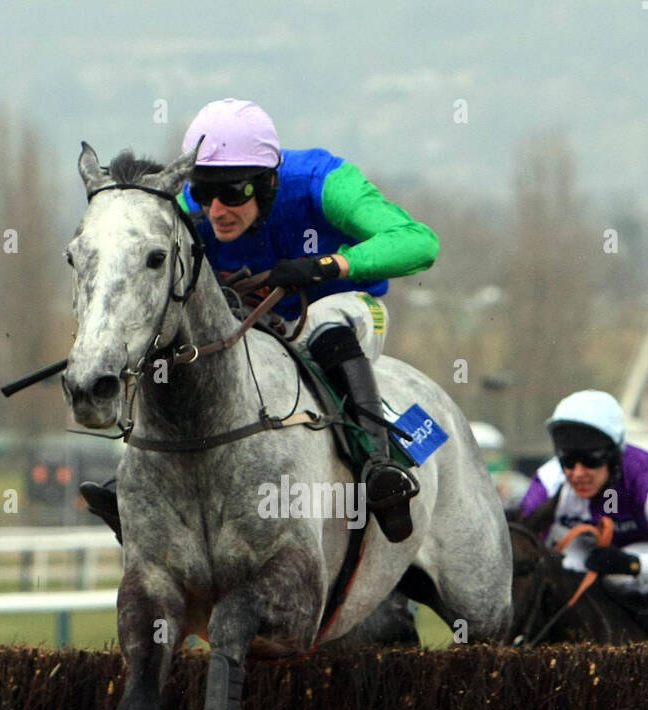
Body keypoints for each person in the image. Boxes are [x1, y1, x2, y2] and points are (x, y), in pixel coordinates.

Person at [80, 98, 439, 543]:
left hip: (342, 308)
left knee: (325, 324)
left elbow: (419, 243)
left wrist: (327, 266)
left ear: (269, 182)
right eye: (206, 193)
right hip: (250, 323)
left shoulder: (323, 180)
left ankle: (379, 467)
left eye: (234, 193)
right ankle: (139, 479)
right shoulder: (191, 206)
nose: (217, 210)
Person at [518, 390, 648, 642]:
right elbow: (521, 551)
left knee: (619, 580)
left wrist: (630, 564)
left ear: (614, 456)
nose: (577, 473)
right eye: (568, 461)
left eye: (591, 460)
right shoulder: (548, 480)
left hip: (641, 554)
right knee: (560, 572)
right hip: (581, 553)